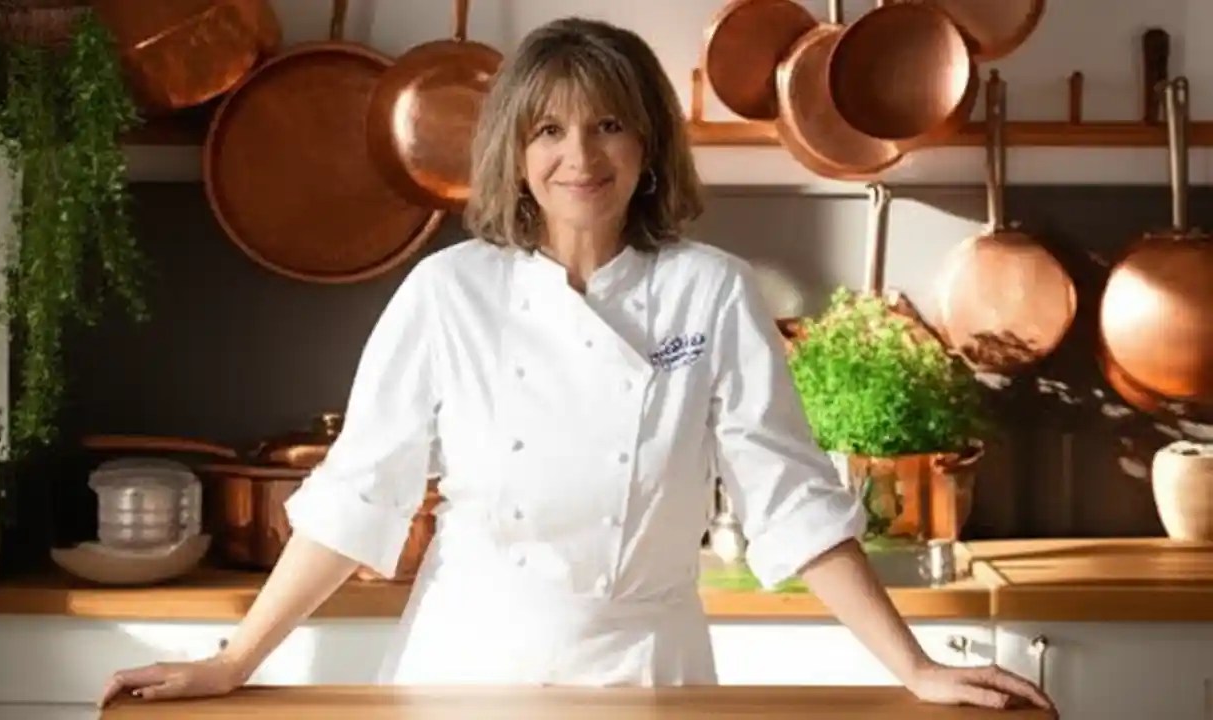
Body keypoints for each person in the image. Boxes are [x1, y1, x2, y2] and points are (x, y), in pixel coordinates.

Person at [102, 16, 1054, 713]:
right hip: (465, 667)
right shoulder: (451, 292)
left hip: (648, 671)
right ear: (515, 153)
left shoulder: (710, 293)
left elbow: (791, 499)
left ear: (647, 146)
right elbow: (358, 498)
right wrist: (236, 661)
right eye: (549, 130)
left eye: (607, 126)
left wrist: (914, 667)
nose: (578, 156)